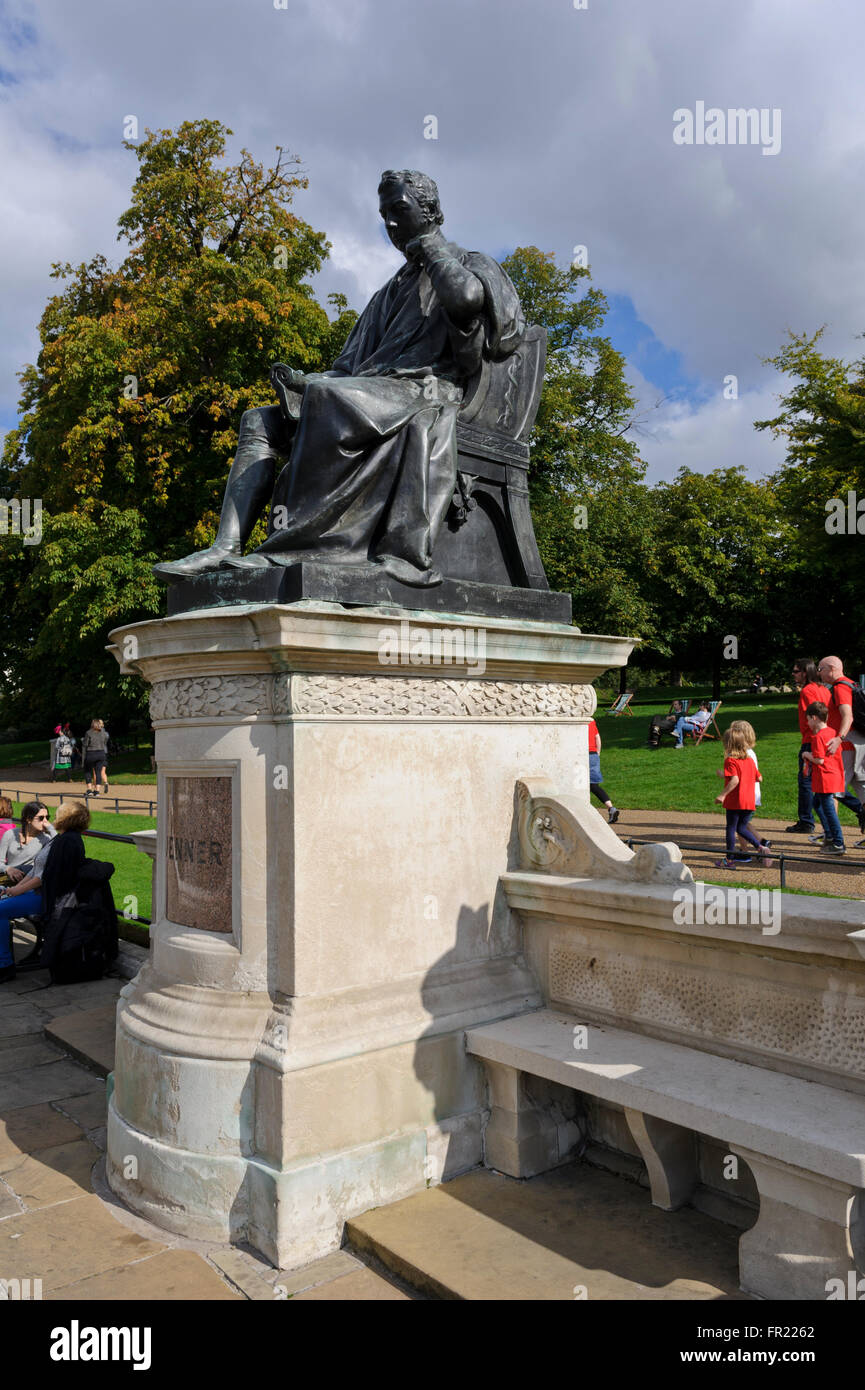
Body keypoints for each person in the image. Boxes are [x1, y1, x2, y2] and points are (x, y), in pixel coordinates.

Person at [152, 169, 525, 590]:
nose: (390, 224)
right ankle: (226, 546)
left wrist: (434, 251)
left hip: (424, 391)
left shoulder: (469, 263)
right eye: (384, 215)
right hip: (371, 391)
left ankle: (298, 546)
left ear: (432, 211)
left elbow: (467, 300)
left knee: (329, 397)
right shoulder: (387, 292)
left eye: (399, 210)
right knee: (260, 420)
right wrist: (302, 381)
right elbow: (347, 370)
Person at [0, 800, 89, 983]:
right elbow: (36, 871)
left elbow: (44, 877)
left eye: (53, 816)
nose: (49, 820)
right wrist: (14, 889)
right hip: (38, 892)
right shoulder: (61, 840)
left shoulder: (63, 841)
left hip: (47, 897)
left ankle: (5, 965)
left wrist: (16, 891)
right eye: (43, 818)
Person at [816, 656, 865, 843]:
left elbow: (848, 716)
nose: (819, 674)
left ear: (831, 668)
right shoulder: (852, 684)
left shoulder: (840, 687)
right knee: (862, 788)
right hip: (860, 743)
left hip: (846, 747)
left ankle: (832, 835)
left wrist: (839, 738)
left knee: (831, 790)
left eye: (820, 669)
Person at [785, 659, 831, 834]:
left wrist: (810, 740)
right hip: (825, 738)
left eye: (796, 671)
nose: (794, 674)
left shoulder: (807, 691)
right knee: (824, 781)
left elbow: (809, 719)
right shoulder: (824, 690)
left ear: (805, 672)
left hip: (811, 741)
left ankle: (806, 821)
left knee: (805, 782)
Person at [715, 725, 770, 869]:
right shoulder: (749, 761)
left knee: (731, 829)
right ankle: (760, 847)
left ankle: (729, 859)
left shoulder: (731, 761)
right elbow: (759, 778)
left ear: (728, 745)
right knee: (741, 828)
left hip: (735, 800)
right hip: (749, 800)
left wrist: (722, 795)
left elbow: (735, 780)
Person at [802, 702, 846, 855]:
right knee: (817, 804)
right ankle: (829, 834)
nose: (807, 723)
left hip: (825, 778)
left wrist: (807, 755)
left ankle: (838, 842)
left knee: (828, 811)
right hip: (834, 775)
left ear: (814, 718)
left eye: (808, 719)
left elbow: (819, 760)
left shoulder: (818, 737)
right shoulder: (833, 732)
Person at [0, 800, 55, 884]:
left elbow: (61, 847)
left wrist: (51, 829)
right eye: (41, 818)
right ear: (29, 819)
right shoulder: (10, 834)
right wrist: (8, 869)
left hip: (28, 881)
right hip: (7, 877)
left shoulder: (46, 839)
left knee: (28, 868)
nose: (45, 822)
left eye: (47, 818)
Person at [588, 718, 620, 824]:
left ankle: (584, 814)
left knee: (577, 785)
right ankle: (611, 808)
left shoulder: (577, 720)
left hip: (580, 754)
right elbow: (597, 737)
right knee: (593, 785)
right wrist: (598, 752)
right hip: (593, 754)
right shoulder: (591, 721)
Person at [81, 719, 110, 796]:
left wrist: (83, 759)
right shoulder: (103, 733)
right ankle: (97, 791)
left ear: (92, 724)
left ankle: (89, 790)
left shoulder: (88, 733)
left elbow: (85, 745)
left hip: (91, 753)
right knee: (98, 772)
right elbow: (104, 742)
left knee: (87, 770)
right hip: (101, 754)